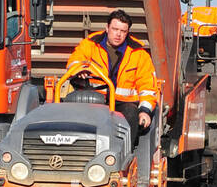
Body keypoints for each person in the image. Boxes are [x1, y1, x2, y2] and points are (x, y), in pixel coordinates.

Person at [67, 9, 158, 147]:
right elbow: (74, 61)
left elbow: (147, 87)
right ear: (107, 28)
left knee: (132, 115)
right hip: (94, 99)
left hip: (123, 103)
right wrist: (79, 69)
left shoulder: (139, 54)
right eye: (115, 29)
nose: (118, 34)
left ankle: (124, 156)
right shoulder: (90, 44)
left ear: (128, 32)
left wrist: (145, 112)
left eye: (123, 31)